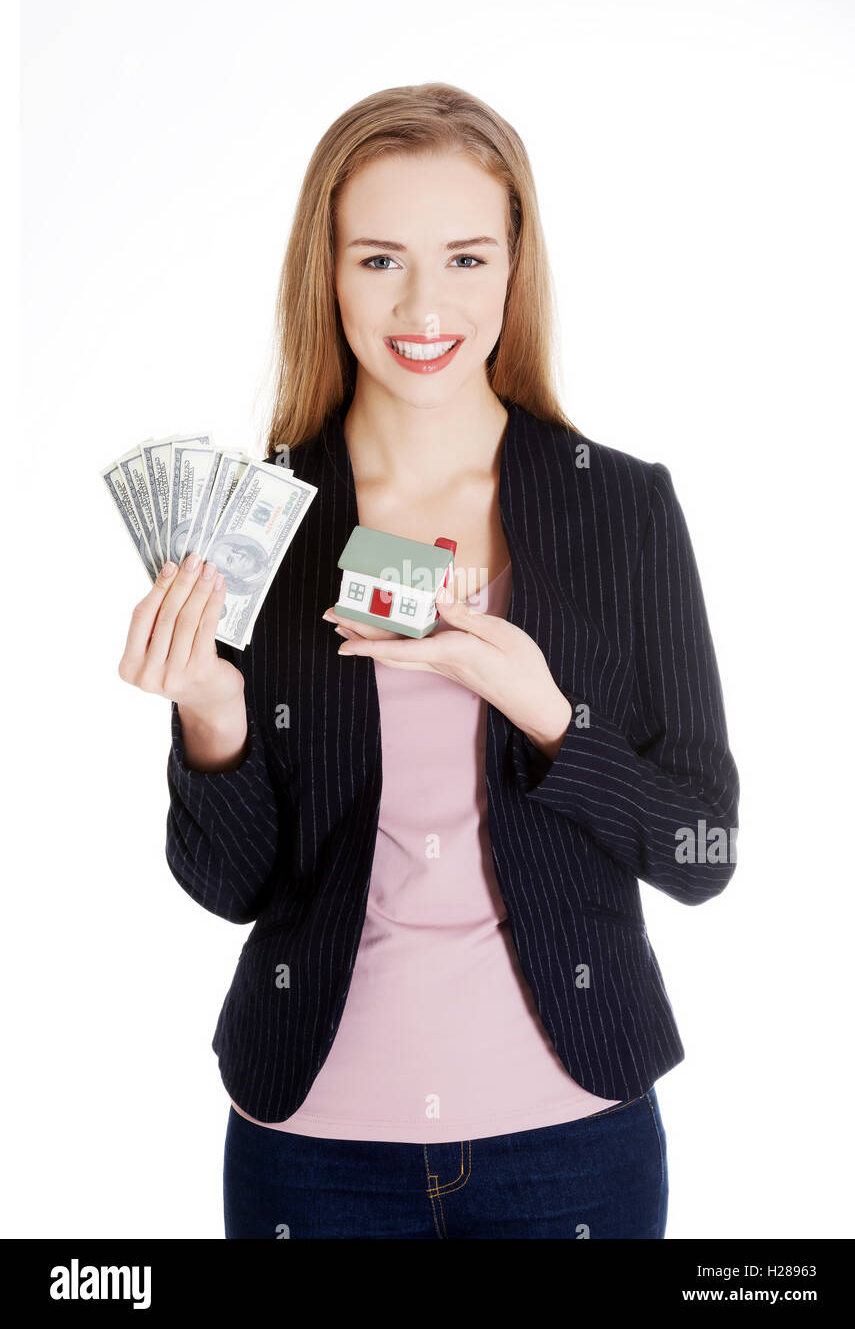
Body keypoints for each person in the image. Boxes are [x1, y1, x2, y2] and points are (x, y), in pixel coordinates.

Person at [118, 83, 739, 1239]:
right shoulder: (260, 521)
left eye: (464, 258)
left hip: (572, 1149)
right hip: (314, 1158)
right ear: (327, 274)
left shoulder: (621, 509)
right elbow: (229, 886)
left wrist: (546, 713)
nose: (423, 305)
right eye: (379, 260)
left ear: (514, 269)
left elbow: (705, 848)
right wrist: (212, 713)